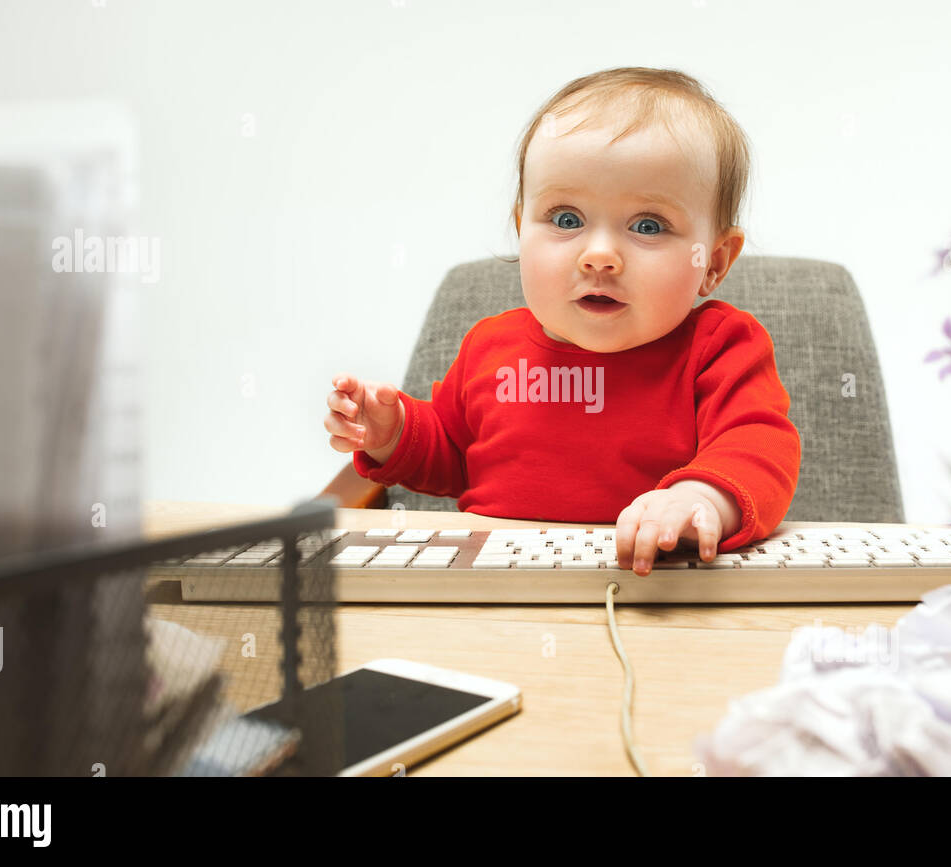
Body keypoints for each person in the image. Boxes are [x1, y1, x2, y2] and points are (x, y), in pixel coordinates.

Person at [325, 67, 800, 576]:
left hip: (655, 590)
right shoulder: (491, 347)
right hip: (495, 589)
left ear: (714, 262)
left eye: (648, 225)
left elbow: (759, 447)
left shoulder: (721, 348)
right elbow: (453, 455)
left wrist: (700, 497)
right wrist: (393, 432)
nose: (599, 256)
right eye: (567, 219)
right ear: (521, 229)